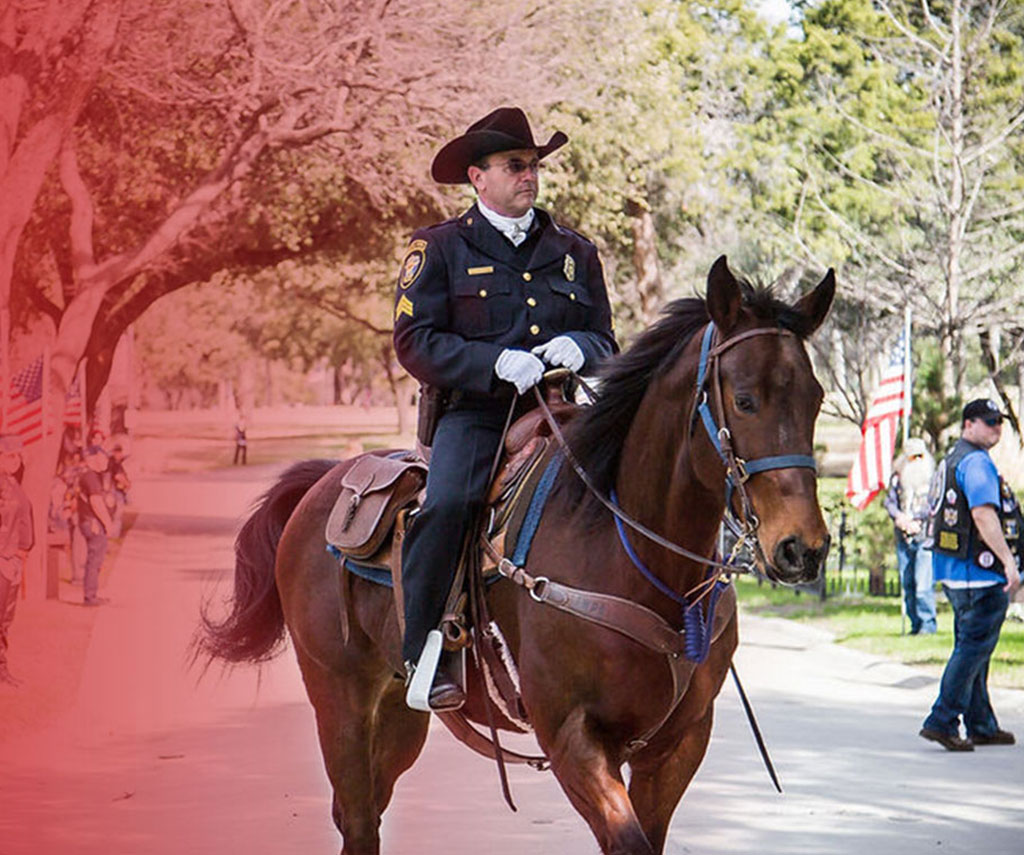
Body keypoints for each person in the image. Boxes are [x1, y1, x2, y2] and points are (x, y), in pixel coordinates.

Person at [392, 106, 617, 710]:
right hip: (478, 414)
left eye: (533, 165)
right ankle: (425, 653)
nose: (529, 176)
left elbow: (606, 340)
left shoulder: (575, 251)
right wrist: (491, 363)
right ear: (478, 177)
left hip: (562, 409)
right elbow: (415, 341)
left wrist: (580, 346)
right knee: (448, 506)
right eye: (515, 166)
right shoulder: (438, 248)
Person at [920, 398, 1022, 751]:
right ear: (969, 424)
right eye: (990, 421)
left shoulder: (954, 458)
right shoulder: (977, 462)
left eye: (1000, 422)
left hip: (956, 572)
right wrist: (1009, 562)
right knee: (972, 650)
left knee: (975, 649)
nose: (996, 428)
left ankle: (981, 723)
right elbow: (983, 515)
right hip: (980, 572)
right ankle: (942, 720)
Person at [884, 437, 937, 634]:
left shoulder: (932, 480)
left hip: (924, 536)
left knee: (923, 584)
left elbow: (934, 506)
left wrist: (916, 519)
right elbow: (890, 502)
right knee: (907, 583)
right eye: (912, 457)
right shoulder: (898, 480)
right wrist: (899, 517)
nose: (915, 461)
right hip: (903, 535)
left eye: (919, 456)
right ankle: (915, 624)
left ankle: (928, 625)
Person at [0, 435, 34, 686]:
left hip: (13, 560)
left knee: (5, 619)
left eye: (18, 456)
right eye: (10, 455)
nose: (16, 460)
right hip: (3, 558)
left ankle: (1, 669)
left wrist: (22, 551)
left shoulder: (13, 483)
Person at [77, 445, 114, 606]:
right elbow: (96, 501)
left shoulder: (89, 475)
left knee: (95, 559)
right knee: (95, 559)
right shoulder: (90, 477)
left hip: (89, 521)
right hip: (93, 523)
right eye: (103, 457)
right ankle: (90, 596)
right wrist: (107, 523)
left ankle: (92, 594)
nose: (105, 460)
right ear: (93, 458)